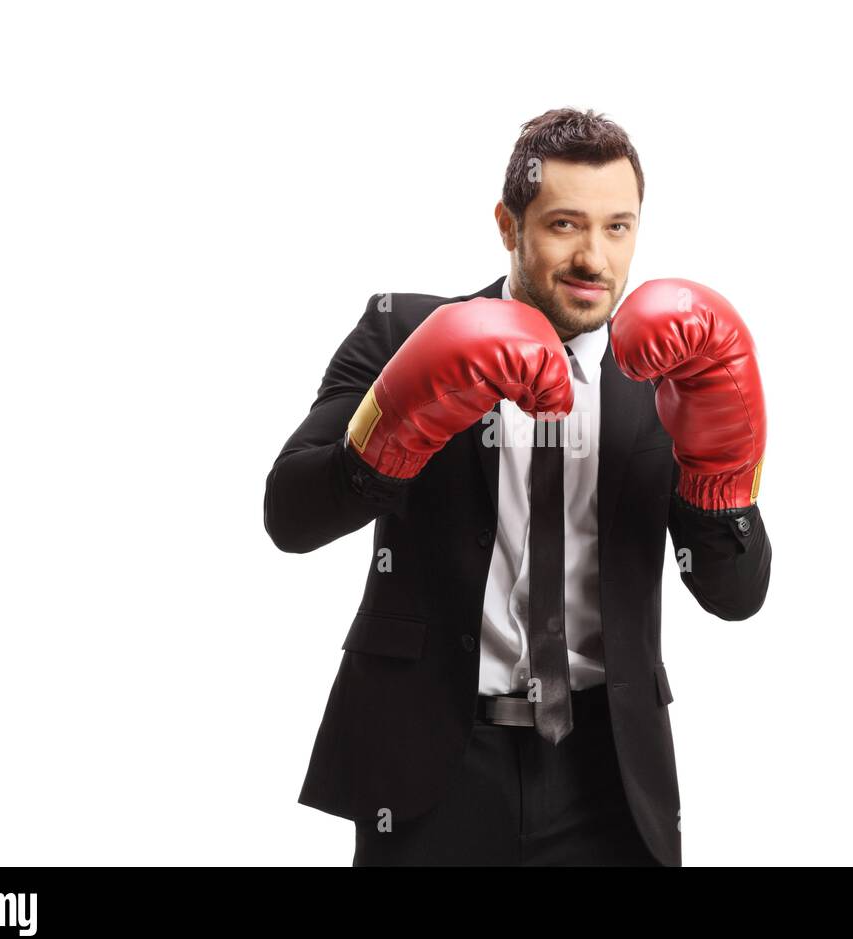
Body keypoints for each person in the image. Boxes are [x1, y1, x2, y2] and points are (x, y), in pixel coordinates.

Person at [263, 107, 771, 866]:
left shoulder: (672, 367)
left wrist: (722, 477)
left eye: (617, 227)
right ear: (509, 223)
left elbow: (736, 597)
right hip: (434, 764)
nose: (594, 258)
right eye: (565, 224)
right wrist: (395, 434)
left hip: (609, 775)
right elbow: (290, 515)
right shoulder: (405, 333)